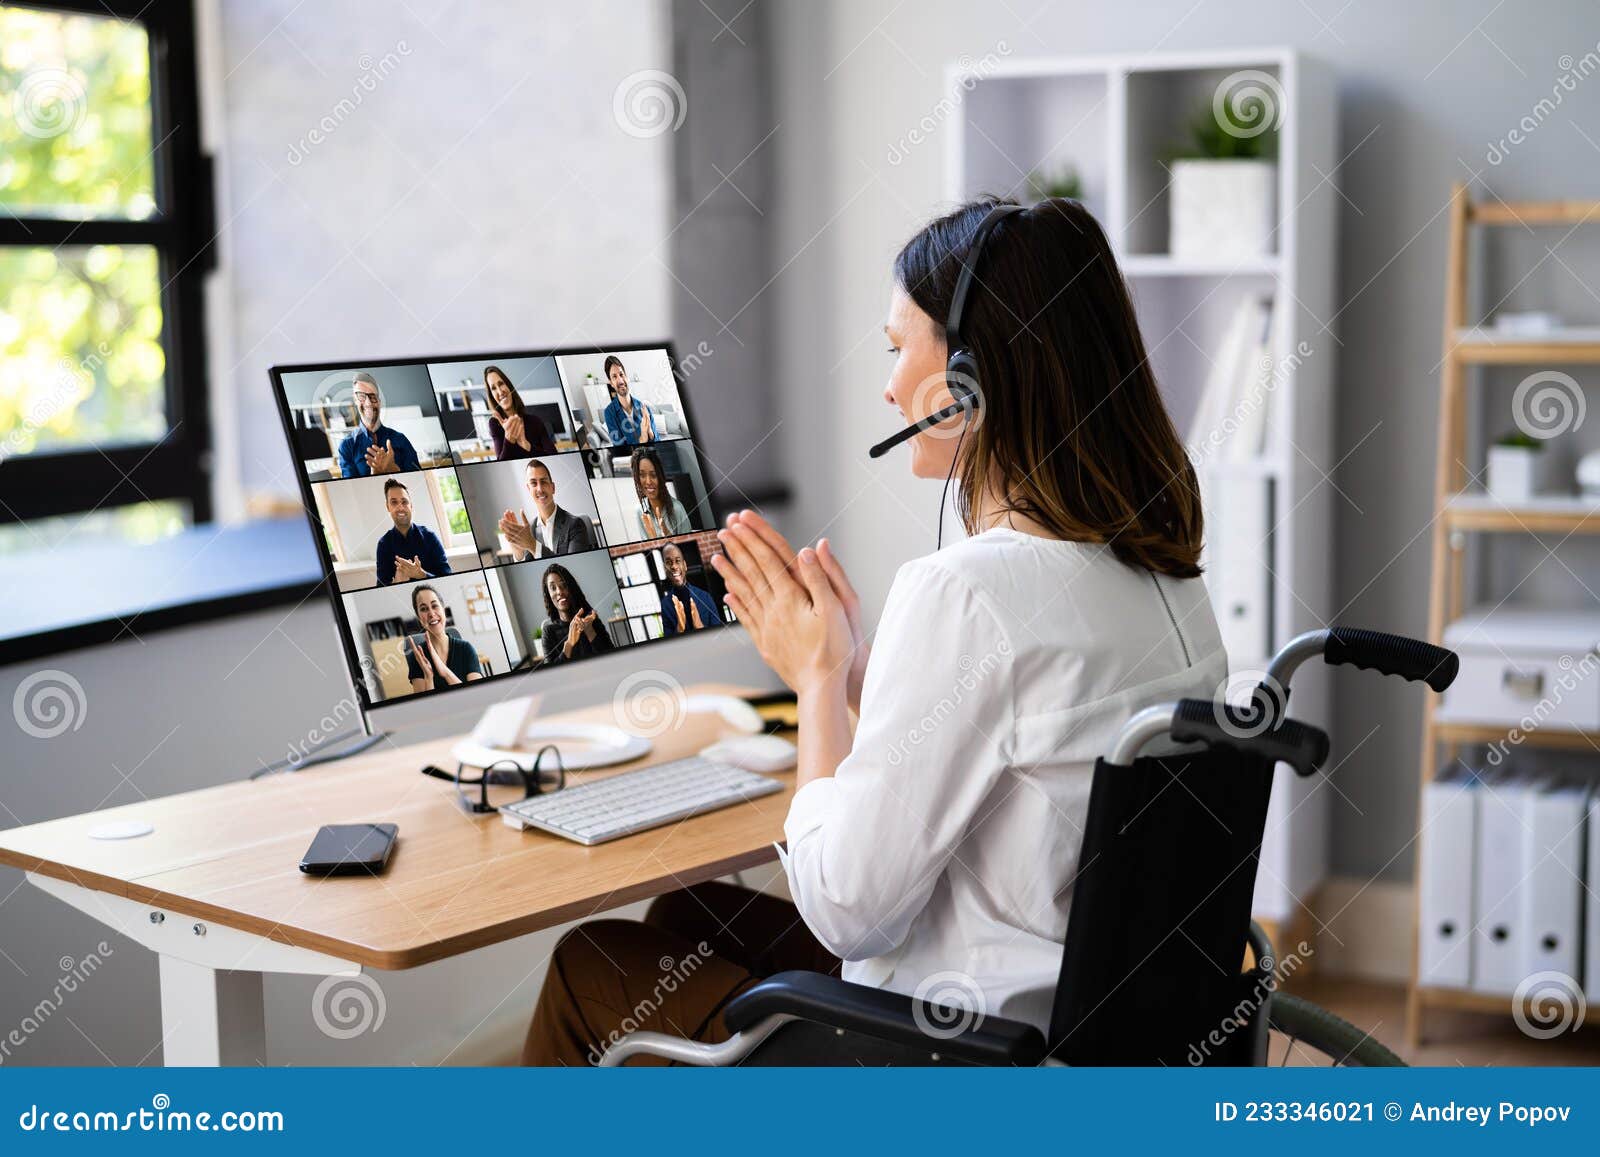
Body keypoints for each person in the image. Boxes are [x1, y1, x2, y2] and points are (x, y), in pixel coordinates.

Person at [521, 197, 1227, 1065]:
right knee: (689, 918)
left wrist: (816, 682)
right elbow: (1017, 739)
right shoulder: (1163, 573)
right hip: (1083, 1025)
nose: (888, 386)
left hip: (959, 1058)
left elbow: (847, 906)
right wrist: (862, 673)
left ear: (970, 380)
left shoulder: (967, 591)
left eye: (899, 351)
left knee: (586, 961)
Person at [497, 458, 596, 562]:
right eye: (534, 483)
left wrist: (532, 545)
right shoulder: (529, 530)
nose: (539, 489)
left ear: (552, 487)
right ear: (529, 489)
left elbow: (573, 564)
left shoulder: (575, 524)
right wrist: (518, 553)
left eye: (543, 481)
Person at [336, 371, 421, 477]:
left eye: (373, 397)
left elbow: (418, 478)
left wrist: (395, 469)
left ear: (379, 402)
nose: (368, 403)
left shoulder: (401, 439)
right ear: (355, 401)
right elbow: (351, 488)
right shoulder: (347, 446)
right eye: (361, 396)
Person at [405, 584, 483, 692]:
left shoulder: (466, 649)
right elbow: (425, 707)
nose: (431, 614)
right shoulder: (417, 658)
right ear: (419, 618)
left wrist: (445, 672)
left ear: (443, 610)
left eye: (435, 606)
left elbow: (477, 695)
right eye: (423, 609)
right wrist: (429, 677)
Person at [373, 479, 451, 586]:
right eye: (394, 502)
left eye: (404, 502)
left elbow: (448, 578)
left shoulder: (430, 537)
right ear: (388, 507)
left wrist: (422, 574)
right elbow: (381, 587)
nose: (400, 507)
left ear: (411, 506)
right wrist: (397, 582)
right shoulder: (383, 544)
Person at [536, 563, 615, 665]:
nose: (559, 591)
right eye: (553, 588)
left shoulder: (591, 620)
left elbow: (612, 659)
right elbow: (553, 676)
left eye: (563, 585)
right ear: (548, 595)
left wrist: (589, 631)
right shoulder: (549, 632)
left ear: (571, 588)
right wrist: (569, 644)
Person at [484, 364, 557, 459]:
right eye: (493, 388)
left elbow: (554, 457)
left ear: (509, 386)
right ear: (492, 396)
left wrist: (526, 445)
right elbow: (502, 462)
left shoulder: (535, 421)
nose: (500, 391)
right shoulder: (495, 424)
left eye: (501, 384)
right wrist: (509, 439)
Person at [658, 542, 721, 636]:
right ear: (665, 570)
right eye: (668, 562)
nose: (674, 566)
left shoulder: (705, 597)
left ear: (685, 566)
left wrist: (699, 626)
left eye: (677, 561)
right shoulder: (665, 605)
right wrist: (680, 628)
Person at [628, 446, 691, 540]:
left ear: (660, 477)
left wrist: (666, 532)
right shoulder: (639, 511)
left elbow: (686, 545)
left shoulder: (677, 509)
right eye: (642, 475)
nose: (648, 481)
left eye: (653, 475)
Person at [600, 355, 657, 446]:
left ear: (626, 377)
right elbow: (620, 449)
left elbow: (657, 441)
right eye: (614, 377)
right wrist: (642, 439)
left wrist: (650, 432)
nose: (620, 380)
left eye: (621, 374)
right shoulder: (609, 413)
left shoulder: (643, 407)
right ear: (611, 383)